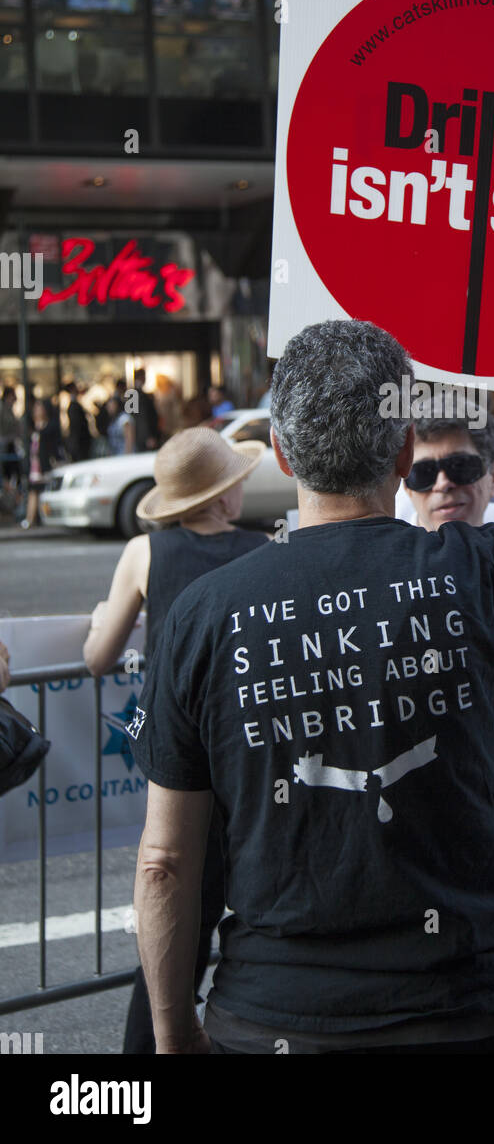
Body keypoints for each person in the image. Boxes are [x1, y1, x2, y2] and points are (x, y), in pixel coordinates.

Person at [127, 285, 494, 1055]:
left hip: (275, 1016)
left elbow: (165, 863)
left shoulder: (202, 614)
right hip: (468, 1008)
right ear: (404, 454)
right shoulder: (478, 569)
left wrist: (171, 1034)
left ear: (283, 455)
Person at [83, 426, 268, 1054]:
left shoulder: (145, 551)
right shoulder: (268, 547)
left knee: (179, 913)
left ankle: (150, 1057)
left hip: (178, 757)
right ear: (222, 495)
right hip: (258, 753)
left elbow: (99, 656)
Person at [401, 409, 494, 529]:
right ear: (406, 487)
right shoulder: (385, 545)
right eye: (424, 472)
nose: (443, 484)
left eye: (459, 466)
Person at [22, 398, 63, 529]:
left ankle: (39, 518)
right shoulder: (32, 427)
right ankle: (31, 519)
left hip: (45, 464)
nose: (37, 411)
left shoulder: (50, 426)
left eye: (40, 408)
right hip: (35, 464)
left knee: (43, 491)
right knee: (34, 491)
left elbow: (55, 446)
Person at [63, 381, 93, 462]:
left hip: (80, 441)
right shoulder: (73, 406)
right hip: (80, 442)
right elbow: (76, 425)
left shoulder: (75, 404)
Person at [132, 368, 160, 453]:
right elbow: (140, 417)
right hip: (143, 439)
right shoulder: (138, 395)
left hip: (138, 437)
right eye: (144, 376)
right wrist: (148, 437)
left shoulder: (133, 394)